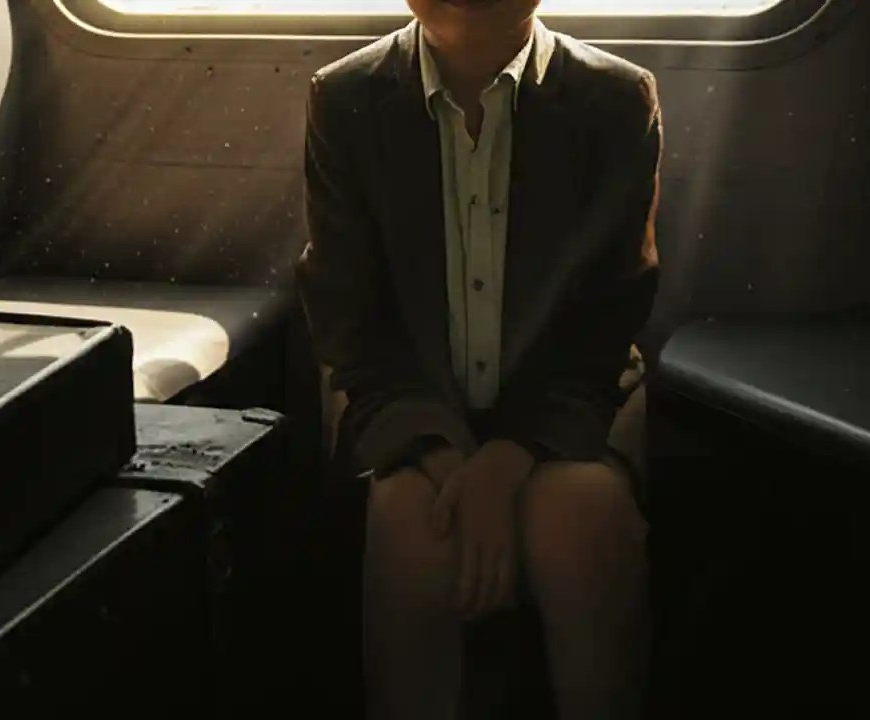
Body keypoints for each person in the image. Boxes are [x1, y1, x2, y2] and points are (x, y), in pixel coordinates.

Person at [296, 0, 662, 717]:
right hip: (409, 403)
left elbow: (607, 317)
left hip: (569, 404)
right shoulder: (344, 98)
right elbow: (350, 319)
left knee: (579, 516)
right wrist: (440, 452)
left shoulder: (616, 99)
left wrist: (508, 457)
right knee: (411, 522)